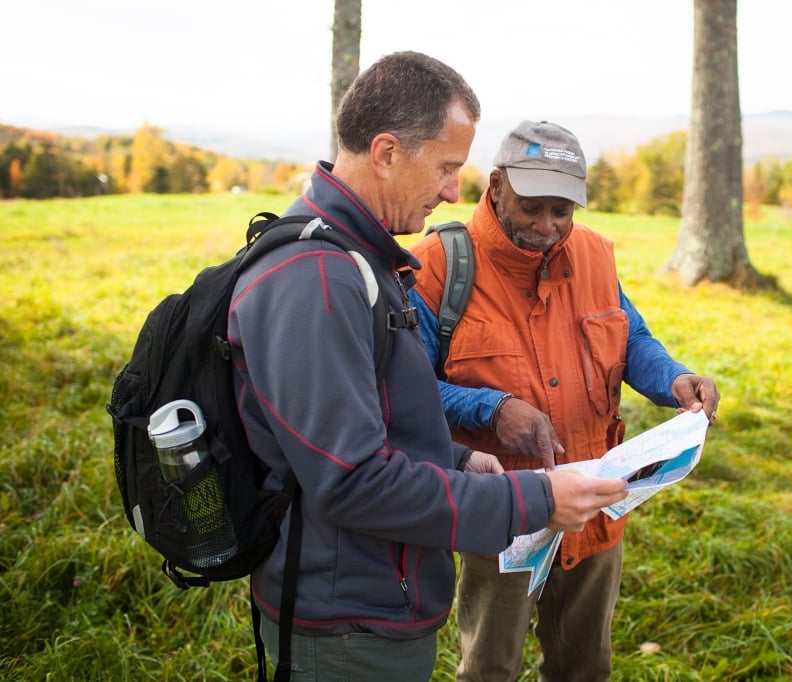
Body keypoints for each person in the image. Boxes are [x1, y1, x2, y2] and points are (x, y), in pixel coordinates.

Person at [227, 55, 627, 682]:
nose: (451, 192)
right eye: (446, 168)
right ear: (386, 152)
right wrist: (534, 496)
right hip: (345, 626)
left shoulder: (363, 261)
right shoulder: (319, 279)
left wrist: (458, 458)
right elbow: (354, 481)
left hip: (381, 601)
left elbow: (370, 419)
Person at [408, 119, 721, 682]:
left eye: (563, 210)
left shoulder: (597, 256)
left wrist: (674, 379)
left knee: (586, 666)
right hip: (501, 513)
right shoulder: (437, 267)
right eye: (533, 207)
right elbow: (406, 391)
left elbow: (630, 339)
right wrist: (493, 408)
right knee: (489, 667)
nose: (548, 226)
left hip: (594, 505)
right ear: (497, 186)